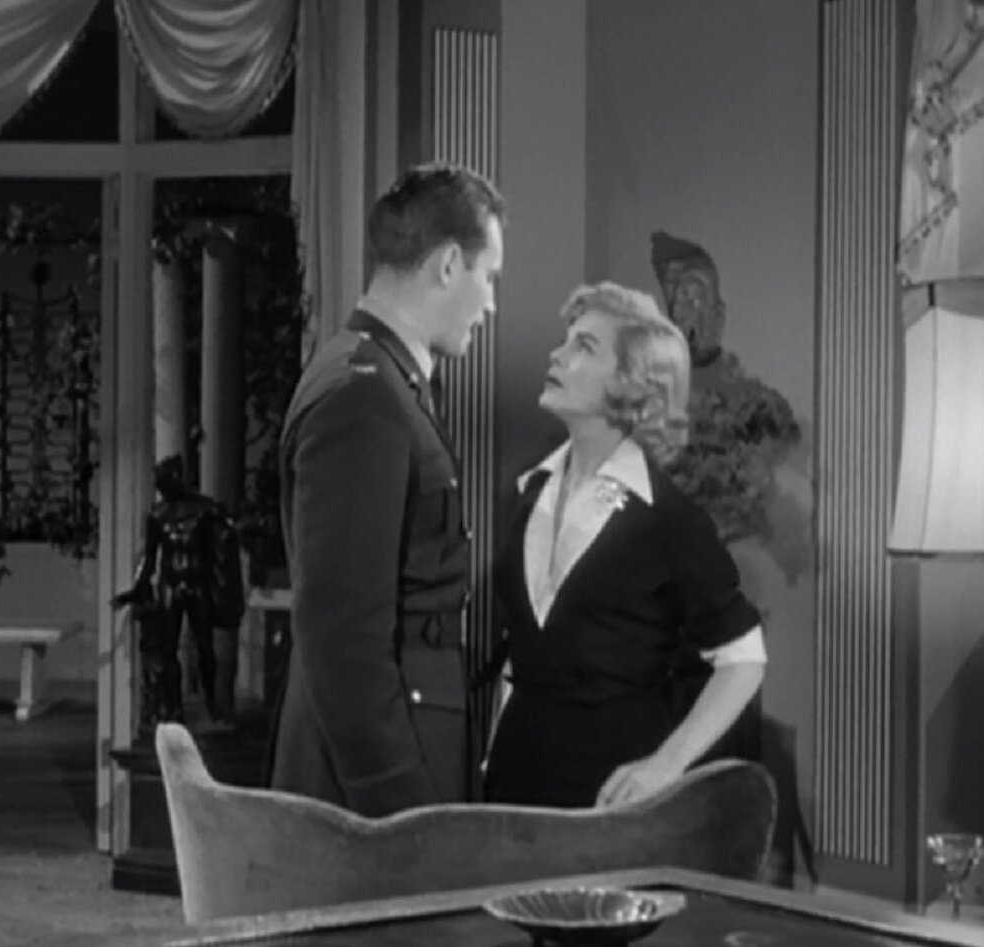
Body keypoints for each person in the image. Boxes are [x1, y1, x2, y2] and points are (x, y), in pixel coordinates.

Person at [266, 163, 505, 817]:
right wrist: (399, 808)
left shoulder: (380, 378)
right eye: (488, 277)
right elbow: (343, 638)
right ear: (449, 264)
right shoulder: (364, 396)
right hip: (375, 788)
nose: (490, 304)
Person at [482, 281, 766, 809]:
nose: (557, 355)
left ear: (632, 384)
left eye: (583, 346)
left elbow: (743, 658)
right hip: (514, 787)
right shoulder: (529, 494)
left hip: (608, 800)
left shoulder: (668, 519)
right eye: (566, 340)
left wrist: (667, 764)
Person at [113, 456, 245, 734]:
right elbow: (150, 558)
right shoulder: (158, 514)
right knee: (167, 650)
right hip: (170, 585)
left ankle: (212, 704)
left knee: (204, 648)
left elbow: (229, 535)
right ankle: (173, 707)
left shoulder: (205, 509)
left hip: (198, 584)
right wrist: (136, 590)